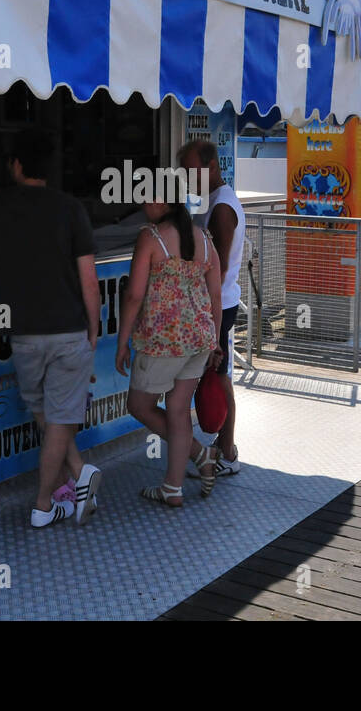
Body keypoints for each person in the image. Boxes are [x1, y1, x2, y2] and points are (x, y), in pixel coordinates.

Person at [0, 128, 104, 528]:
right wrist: (93, 329)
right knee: (57, 419)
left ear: (16, 164)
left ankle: (71, 481)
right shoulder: (70, 208)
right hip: (67, 331)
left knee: (47, 416)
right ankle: (49, 499)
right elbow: (89, 281)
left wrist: (10, 266)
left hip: (21, 332)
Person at [116, 196, 223, 506]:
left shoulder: (151, 237)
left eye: (146, 197)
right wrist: (214, 340)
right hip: (198, 339)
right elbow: (215, 295)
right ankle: (175, 484)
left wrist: (123, 341)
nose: (141, 203)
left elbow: (135, 295)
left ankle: (198, 458)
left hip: (162, 340)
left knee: (139, 405)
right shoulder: (203, 237)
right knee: (178, 411)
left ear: (162, 201)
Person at [178, 139, 246, 479]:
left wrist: (206, 314)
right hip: (212, 305)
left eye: (192, 171)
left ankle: (228, 451)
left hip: (218, 305)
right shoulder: (213, 201)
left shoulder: (221, 207)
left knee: (220, 379)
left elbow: (216, 268)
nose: (189, 177)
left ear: (211, 167)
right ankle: (221, 449)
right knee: (216, 377)